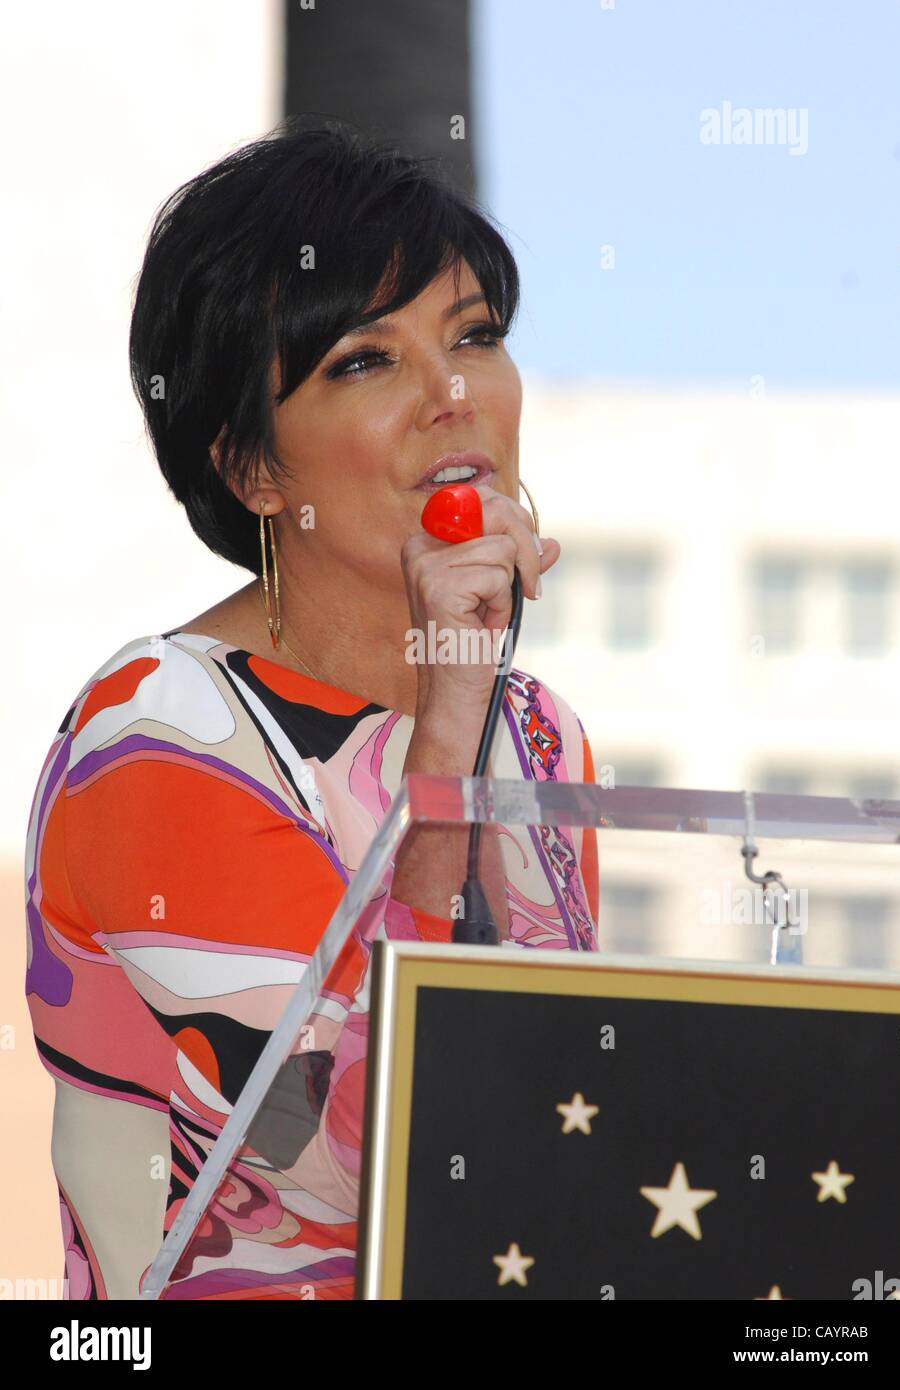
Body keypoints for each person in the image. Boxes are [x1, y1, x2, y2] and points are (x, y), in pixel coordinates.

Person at [23, 118, 600, 1301]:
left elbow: (551, 1140)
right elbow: (353, 1154)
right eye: (365, 361)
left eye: (475, 337)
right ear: (253, 469)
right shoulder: (161, 732)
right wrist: (444, 740)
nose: (453, 397)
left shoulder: (539, 733)